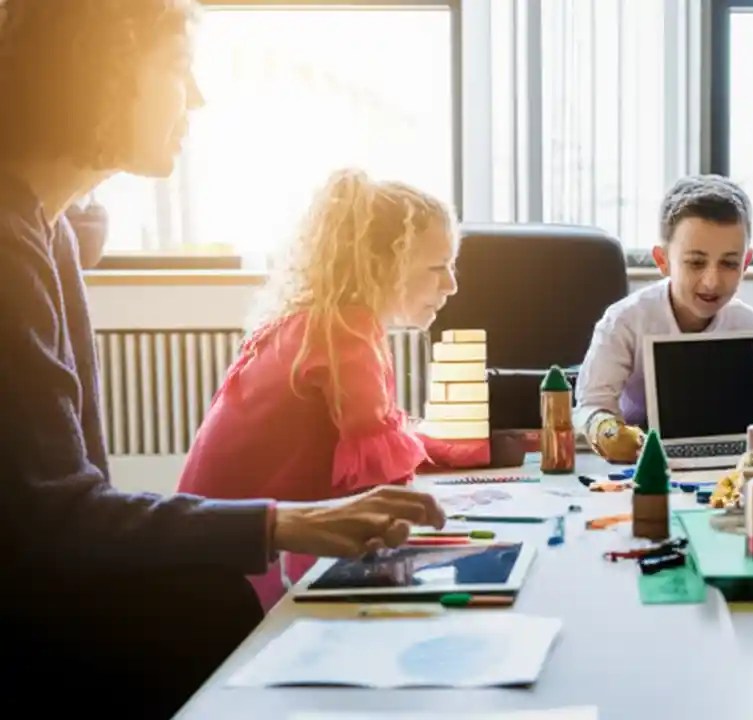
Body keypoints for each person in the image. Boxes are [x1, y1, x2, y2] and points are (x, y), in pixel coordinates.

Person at [0, 2, 445, 716]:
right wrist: (283, 522)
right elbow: (56, 519)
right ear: (99, 71)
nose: (197, 97)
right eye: (178, 67)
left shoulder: (46, 232)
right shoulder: (10, 244)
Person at [178, 168, 463, 610]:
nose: (452, 285)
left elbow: (369, 446)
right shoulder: (346, 332)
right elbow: (388, 497)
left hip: (206, 555)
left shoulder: (309, 324)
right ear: (382, 266)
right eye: (437, 267)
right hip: (230, 586)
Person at [573, 174, 753, 463]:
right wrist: (605, 430)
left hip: (723, 464)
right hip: (636, 461)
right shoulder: (625, 321)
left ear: (746, 262)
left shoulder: (748, 324)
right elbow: (589, 406)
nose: (711, 282)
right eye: (695, 263)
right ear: (662, 260)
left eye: (729, 263)